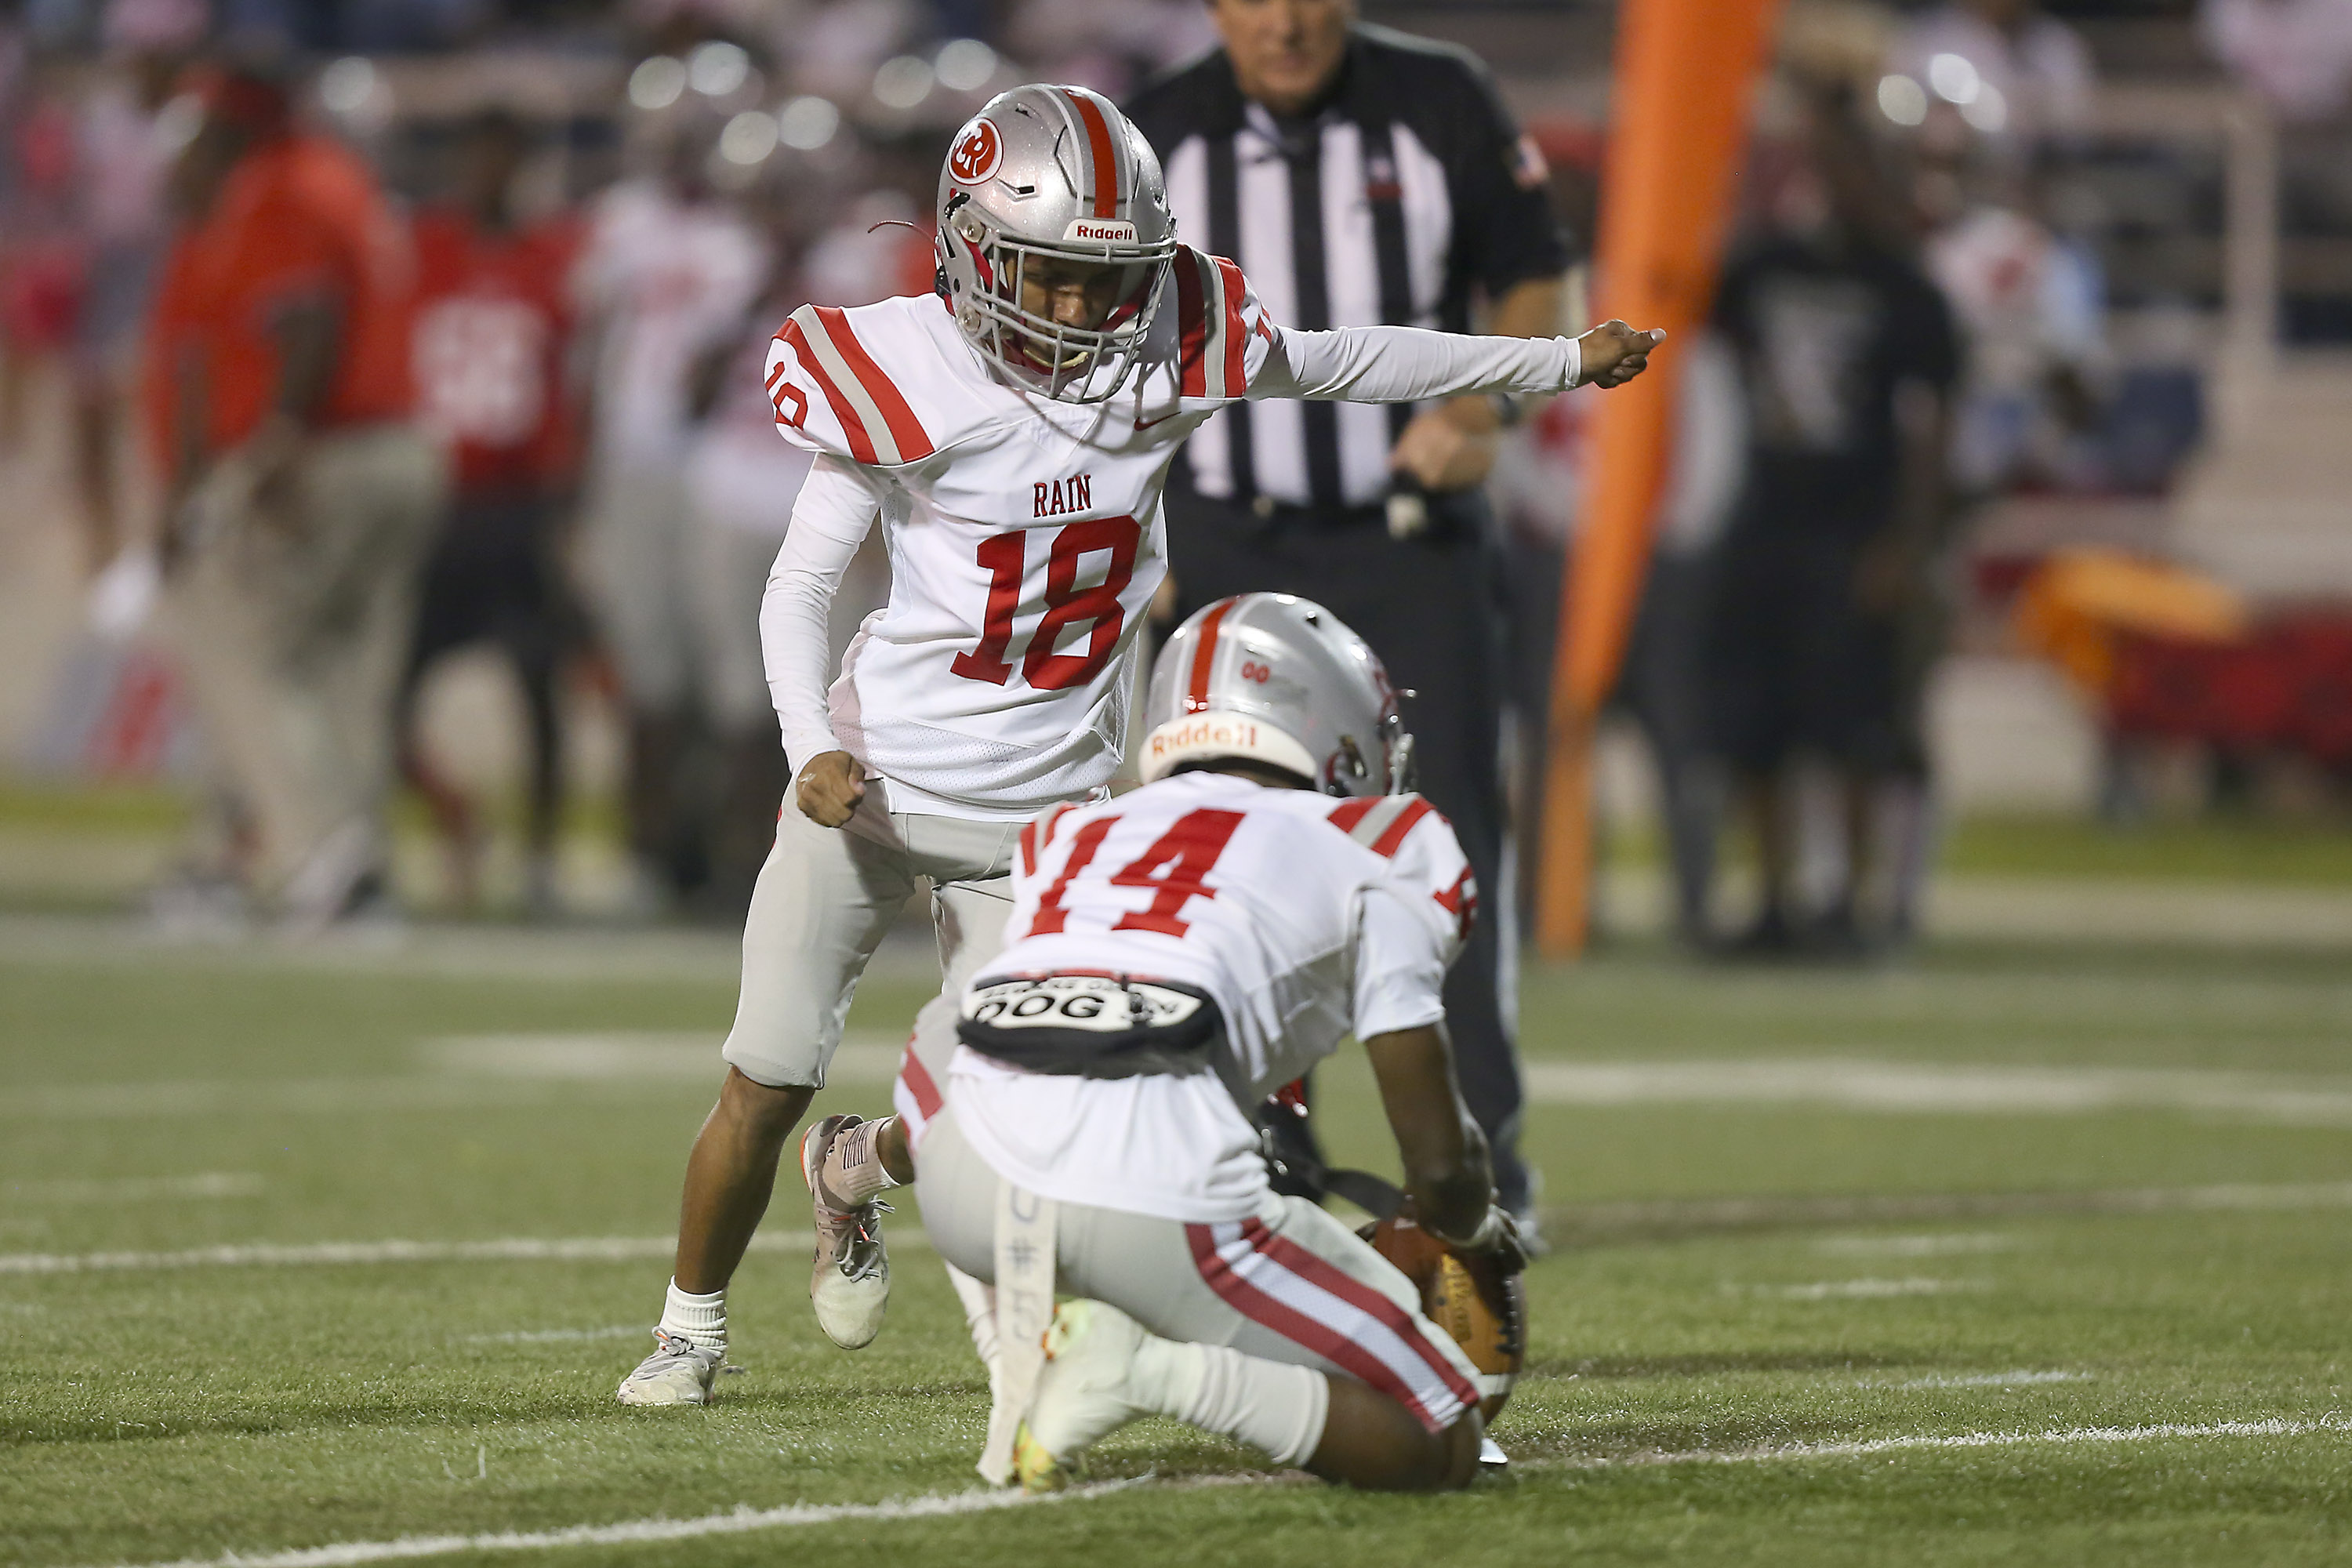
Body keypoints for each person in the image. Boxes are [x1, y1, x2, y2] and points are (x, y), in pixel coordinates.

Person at [613, 82, 1659, 1405]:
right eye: (1050, 275)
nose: (1080, 309)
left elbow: (1347, 360)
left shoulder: (1172, 345)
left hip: (1044, 816)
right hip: (869, 790)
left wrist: (1554, 362)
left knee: (1018, 1113)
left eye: (1107, 279)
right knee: (764, 1080)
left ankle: (855, 1169)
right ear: (972, 250)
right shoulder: (901, 368)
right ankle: (689, 1329)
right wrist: (806, 741)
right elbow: (797, 590)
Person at [804, 593, 1515, 1492]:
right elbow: (1438, 1162)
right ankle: (1145, 1370)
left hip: (963, 1183)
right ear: (1330, 725)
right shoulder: (1384, 843)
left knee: (977, 1025)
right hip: (1153, 1190)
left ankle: (875, 1176)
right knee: (1442, 1432)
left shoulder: (1075, 830)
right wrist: (1475, 1224)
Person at [1125, 0, 1574, 1221]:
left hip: (1408, 538)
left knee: (1444, 842)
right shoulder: (1156, 130)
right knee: (1225, 850)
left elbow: (1535, 273)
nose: (1285, 22)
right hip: (1220, 536)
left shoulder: (1438, 98)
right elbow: (1101, 337)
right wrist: (1132, 522)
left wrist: (1482, 406)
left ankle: (1478, 1172)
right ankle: (1269, 1165)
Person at [146, 57, 442, 927]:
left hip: (326, 450)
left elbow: (308, 315)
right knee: (341, 673)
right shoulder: (335, 182)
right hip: (391, 443)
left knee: (248, 655)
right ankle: (336, 860)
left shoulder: (280, 189)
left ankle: (319, 854)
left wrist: (276, 439)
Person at [1706, 91, 1958, 954]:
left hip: (1853, 529)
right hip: (1766, 519)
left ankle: (1852, 899)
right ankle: (1773, 896)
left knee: (1853, 726)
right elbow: (1697, 324)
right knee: (1758, 727)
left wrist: (1906, 542)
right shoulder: (1763, 265)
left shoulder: (1903, 286)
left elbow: (1932, 424)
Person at [572, 108, 770, 912]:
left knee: (727, 676)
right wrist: (578, 465)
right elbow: (593, 344)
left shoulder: (748, 236)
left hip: (720, 469)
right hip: (635, 463)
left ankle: (721, 853)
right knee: (649, 668)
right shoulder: (622, 220)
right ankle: (651, 851)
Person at [398, 109, 586, 916]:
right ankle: (453, 818)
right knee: (386, 689)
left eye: (505, 158)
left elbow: (572, 387)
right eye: (478, 157)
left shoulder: (552, 258)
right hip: (432, 500)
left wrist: (565, 497)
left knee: (539, 683)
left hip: (515, 506)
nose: (489, 173)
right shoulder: (420, 249)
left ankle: (540, 857)